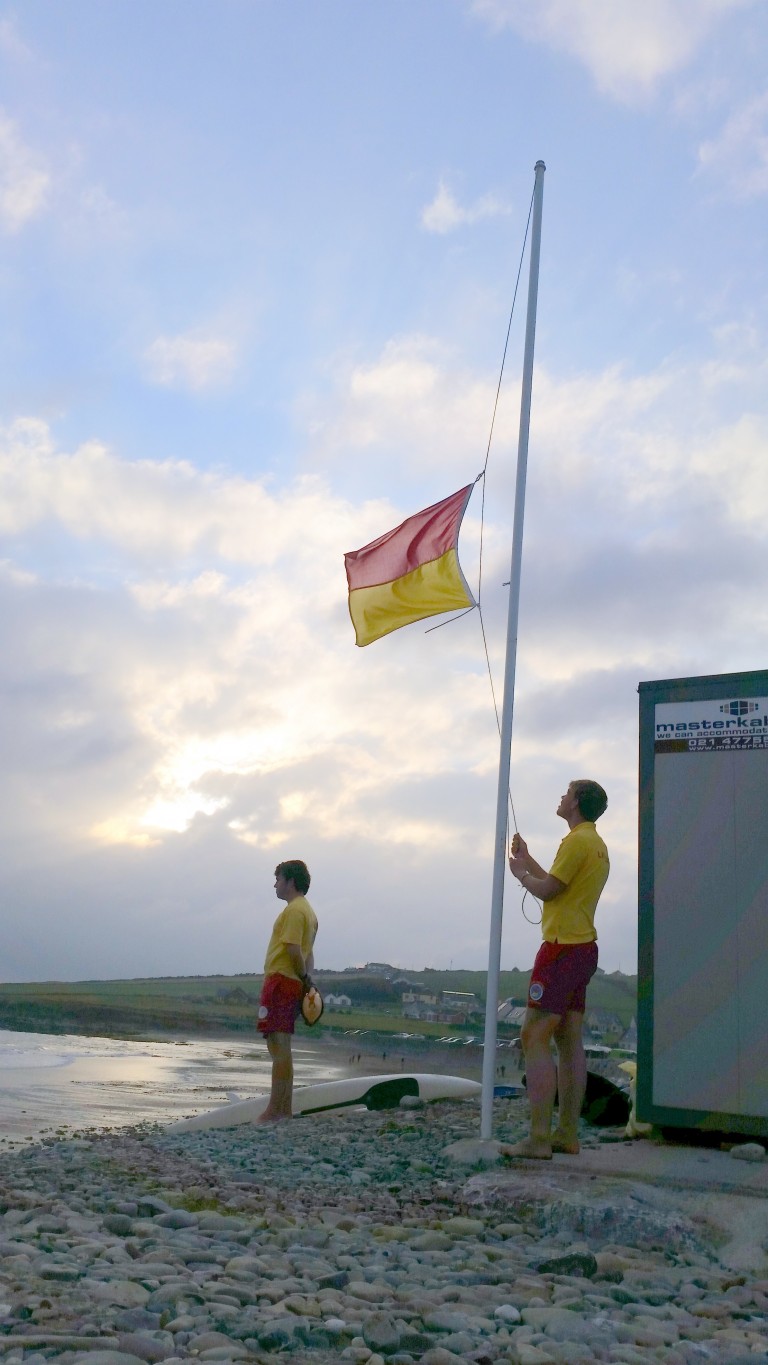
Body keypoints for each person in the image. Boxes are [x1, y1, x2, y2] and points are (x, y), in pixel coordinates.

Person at [503, 779, 609, 1159]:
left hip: (562, 950)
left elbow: (548, 890)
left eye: (566, 793)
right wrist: (528, 861)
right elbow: (558, 882)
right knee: (568, 1041)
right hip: (584, 949)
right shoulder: (594, 844)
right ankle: (567, 1134)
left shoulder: (577, 841)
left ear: (577, 802)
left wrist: (520, 876)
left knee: (533, 1035)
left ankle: (538, 1138)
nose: (561, 797)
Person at [256, 859, 318, 1122]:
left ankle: (274, 1111)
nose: (275, 884)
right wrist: (307, 980)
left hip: (282, 980)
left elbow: (294, 949)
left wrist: (303, 977)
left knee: (278, 1045)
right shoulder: (309, 912)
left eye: (278, 879)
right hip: (290, 981)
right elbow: (309, 953)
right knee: (282, 1046)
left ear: (291, 881)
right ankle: (284, 1110)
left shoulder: (294, 911)